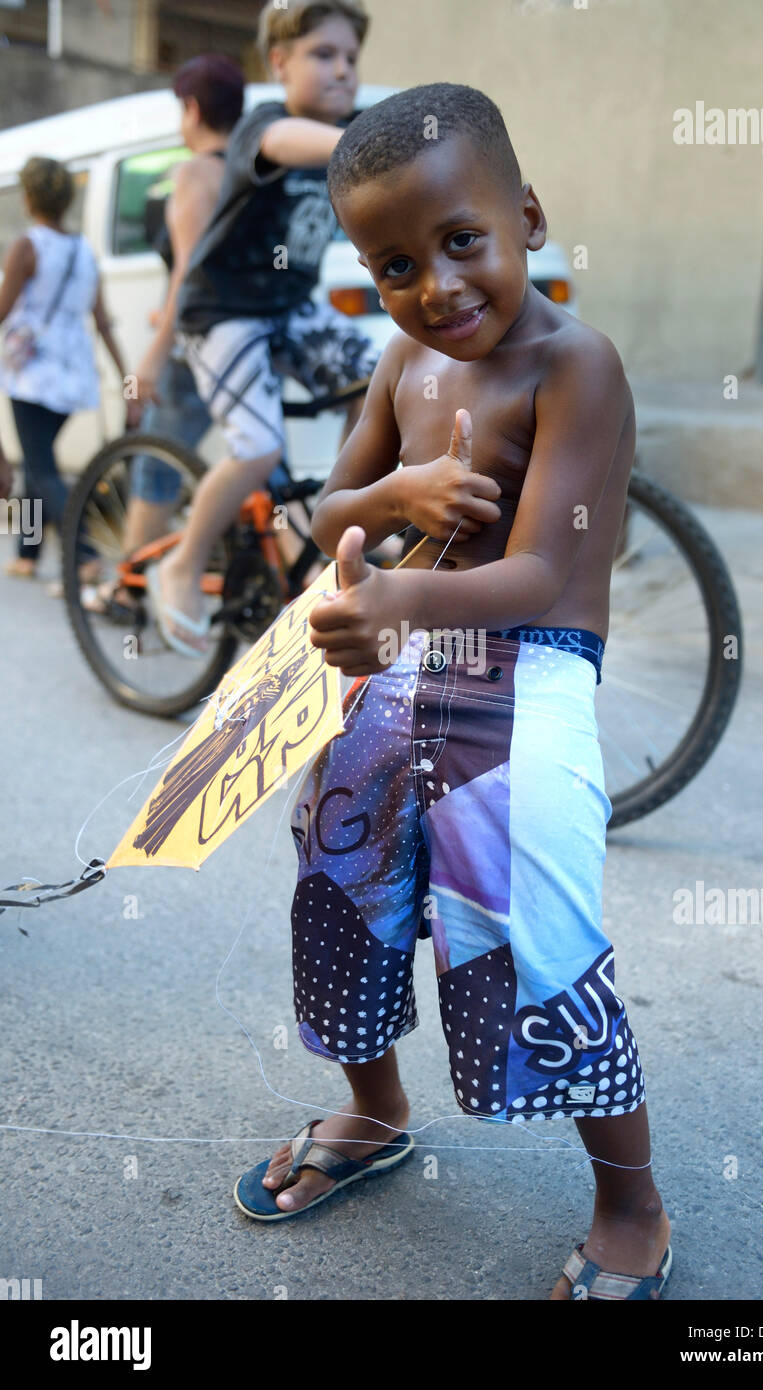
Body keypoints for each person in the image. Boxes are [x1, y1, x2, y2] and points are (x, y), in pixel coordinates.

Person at [231, 83, 673, 1303]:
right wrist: (397, 500)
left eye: (460, 242)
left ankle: (630, 1201)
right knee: (340, 877)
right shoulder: (403, 364)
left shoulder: (573, 366)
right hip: (390, 666)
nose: (435, 286)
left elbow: (538, 569)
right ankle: (374, 1112)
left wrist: (400, 602)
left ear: (526, 215)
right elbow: (328, 505)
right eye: (394, 264)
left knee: (534, 927)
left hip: (524, 677)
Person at [150, 0, 379, 658]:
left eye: (351, 58)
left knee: (383, 385)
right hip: (223, 310)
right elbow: (288, 146)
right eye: (322, 55)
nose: (342, 70)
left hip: (288, 306)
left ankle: (342, 528)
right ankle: (184, 563)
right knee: (256, 447)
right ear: (279, 62)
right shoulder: (264, 126)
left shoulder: (353, 134)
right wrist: (376, 147)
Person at [82, 53, 244, 614]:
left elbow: (189, 272)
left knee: (156, 465)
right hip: (247, 335)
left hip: (193, 344)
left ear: (192, 109)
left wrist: (151, 354)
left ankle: (129, 586)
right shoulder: (251, 171)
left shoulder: (196, 172)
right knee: (258, 464)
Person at [0, 156, 138, 586]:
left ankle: (85, 555)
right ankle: (27, 553)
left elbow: (3, 310)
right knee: (36, 460)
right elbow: (103, 321)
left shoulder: (29, 245)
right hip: (74, 375)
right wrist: (126, 381)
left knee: (41, 467)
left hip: (33, 373)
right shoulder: (82, 251)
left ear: (29, 198)